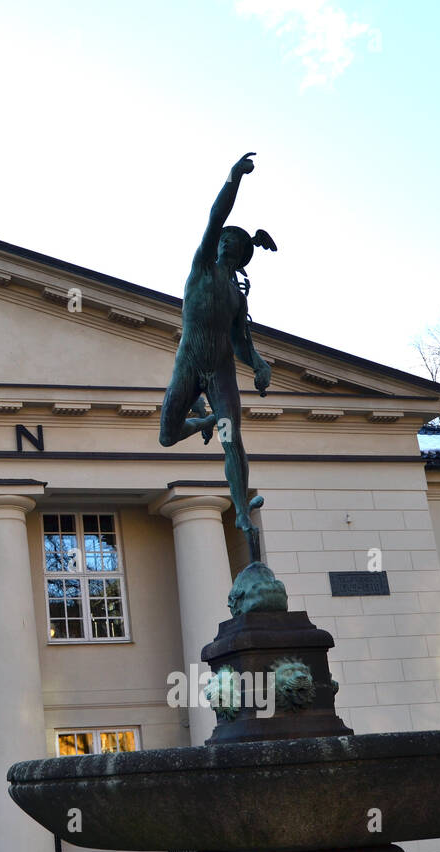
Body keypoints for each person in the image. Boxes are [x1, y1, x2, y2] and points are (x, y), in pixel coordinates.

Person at [159, 152, 277, 554]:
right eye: (225, 238)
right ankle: (204, 416)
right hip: (191, 364)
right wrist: (234, 178)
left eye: (235, 241)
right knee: (167, 434)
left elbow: (243, 342)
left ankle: (242, 510)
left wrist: (260, 365)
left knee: (232, 440)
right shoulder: (201, 268)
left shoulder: (236, 297)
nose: (226, 241)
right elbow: (215, 215)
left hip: (221, 370)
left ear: (243, 254)